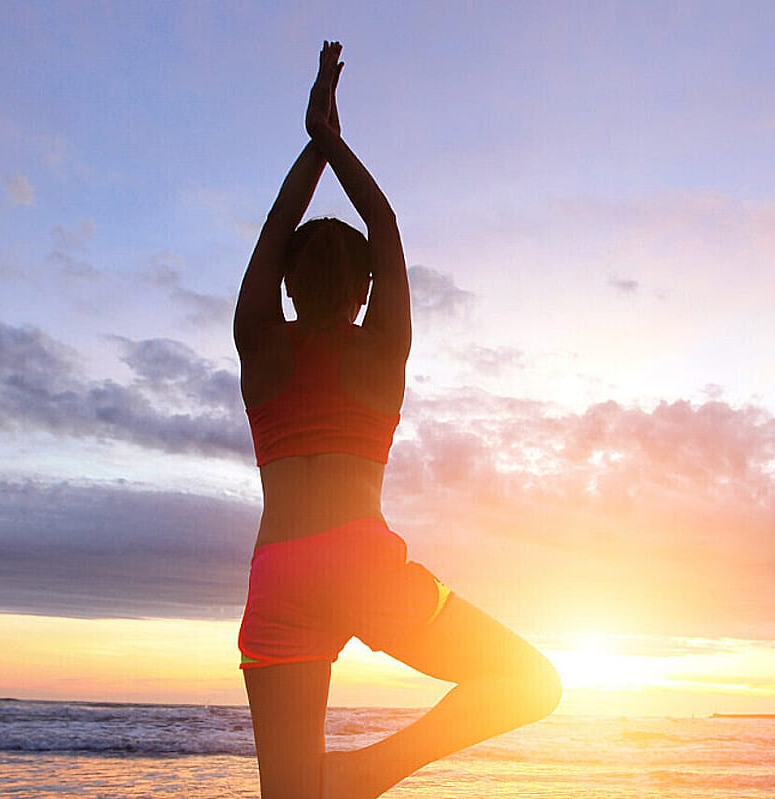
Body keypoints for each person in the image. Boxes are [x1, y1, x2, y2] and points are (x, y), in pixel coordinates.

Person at [234, 41, 562, 799]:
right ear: (367, 289)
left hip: (276, 576)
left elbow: (278, 222)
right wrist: (333, 141)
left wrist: (311, 147)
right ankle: (373, 770)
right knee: (532, 681)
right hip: (364, 566)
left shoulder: (259, 344)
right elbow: (380, 217)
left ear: (283, 280)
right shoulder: (383, 349)